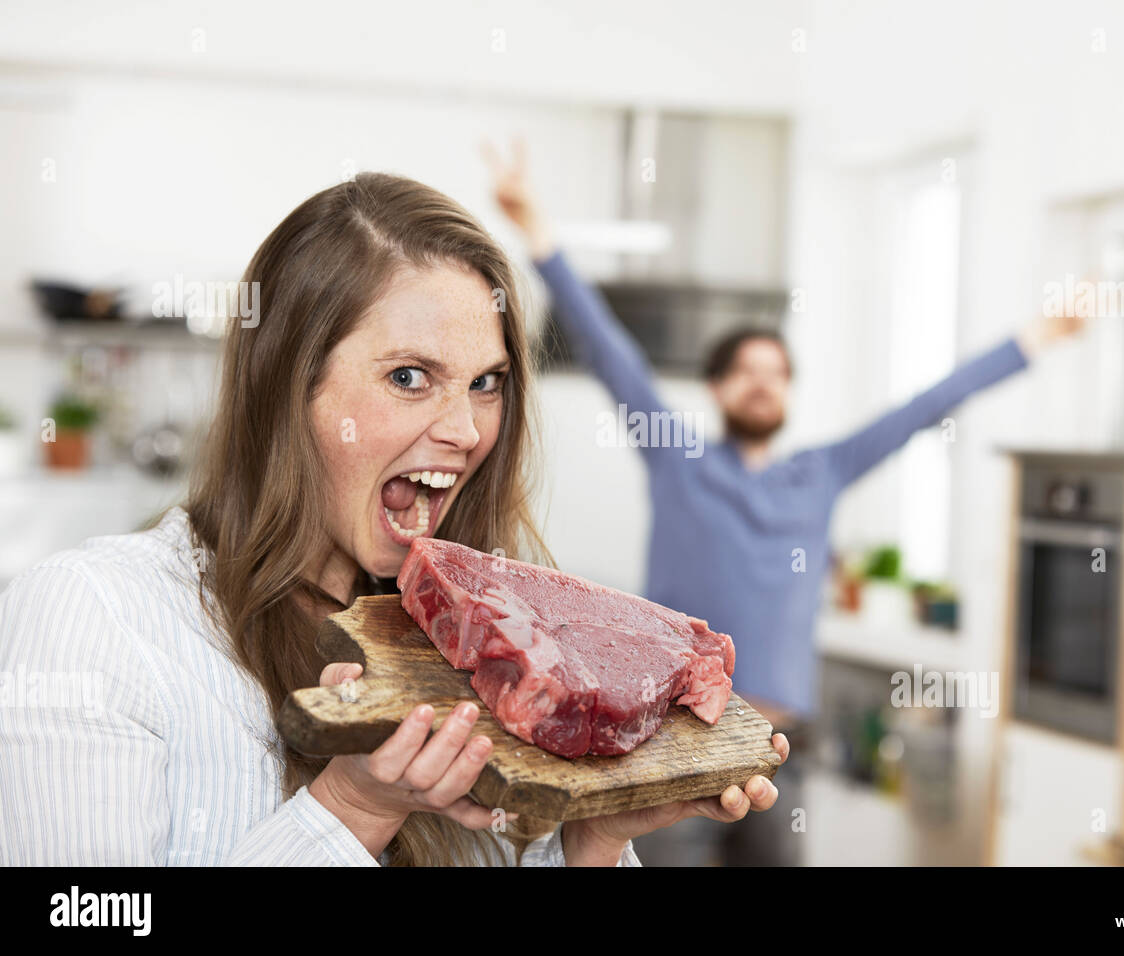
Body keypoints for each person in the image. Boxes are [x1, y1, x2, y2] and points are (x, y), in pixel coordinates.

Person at [0, 172, 787, 866]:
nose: (468, 429)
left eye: (487, 382)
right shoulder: (91, 616)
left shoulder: (483, 651)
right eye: (410, 377)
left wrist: (595, 843)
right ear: (287, 384)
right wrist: (352, 812)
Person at [487, 142, 1084, 864]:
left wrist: (1038, 337)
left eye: (776, 373)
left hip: (778, 751)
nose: (762, 384)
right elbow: (611, 351)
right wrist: (538, 231)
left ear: (790, 392)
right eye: (745, 372)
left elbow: (931, 404)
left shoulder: (824, 471)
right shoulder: (681, 459)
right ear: (717, 389)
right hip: (669, 745)